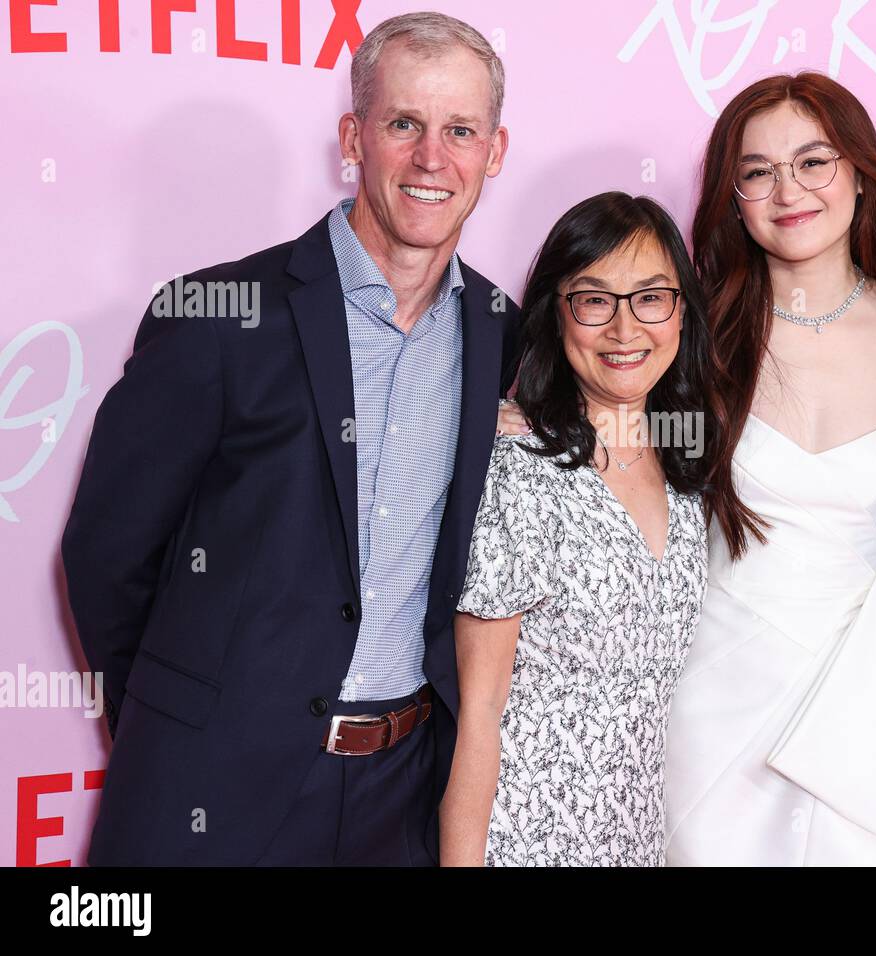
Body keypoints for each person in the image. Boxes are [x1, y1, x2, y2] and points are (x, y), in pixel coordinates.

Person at [60, 12, 518, 865]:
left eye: (461, 131)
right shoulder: (218, 316)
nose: (432, 159)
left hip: (408, 796)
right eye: (403, 125)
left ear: (494, 153)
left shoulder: (503, 335)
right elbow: (105, 554)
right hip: (214, 788)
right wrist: (183, 720)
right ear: (355, 136)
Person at [657, 72, 876, 866]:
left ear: (856, 171)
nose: (789, 191)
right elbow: (624, 452)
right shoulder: (692, 334)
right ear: (732, 196)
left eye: (813, 162)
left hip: (865, 690)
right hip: (713, 690)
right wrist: (546, 421)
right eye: (758, 171)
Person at [440, 192, 729, 866]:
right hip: (522, 844)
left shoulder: (689, 471)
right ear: (557, 314)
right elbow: (478, 716)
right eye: (594, 300)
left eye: (651, 298)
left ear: (682, 311)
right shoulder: (517, 469)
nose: (625, 330)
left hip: (637, 842)